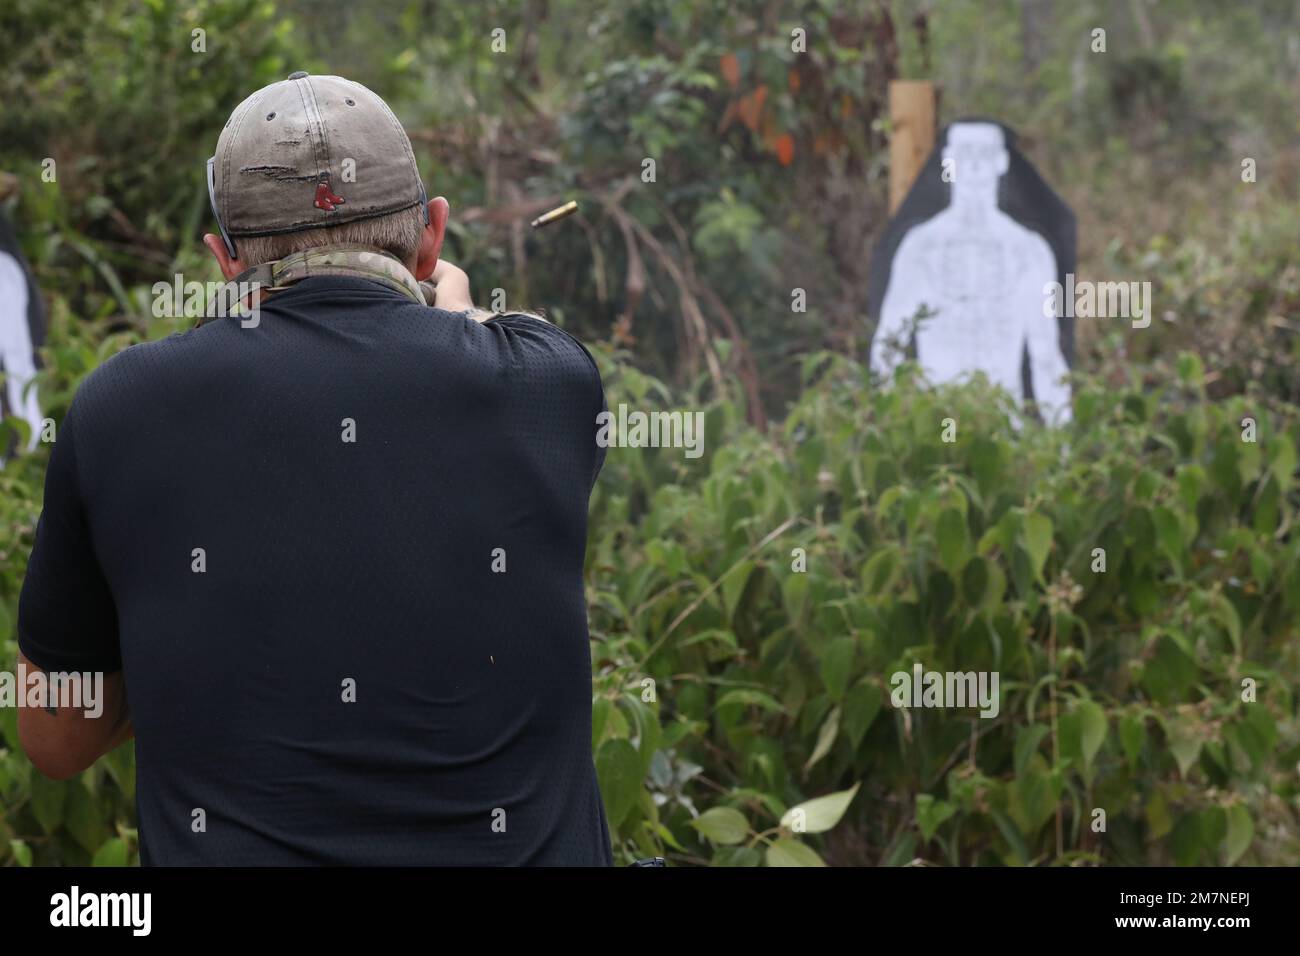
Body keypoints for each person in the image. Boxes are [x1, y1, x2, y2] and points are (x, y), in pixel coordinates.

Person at [16, 72, 612, 866]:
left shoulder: (120, 407)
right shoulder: (549, 382)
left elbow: (56, 738)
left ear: (224, 261)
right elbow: (500, 351)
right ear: (431, 234)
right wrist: (465, 315)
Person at [870, 121, 1073, 425]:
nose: (975, 164)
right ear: (949, 160)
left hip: (1004, 424)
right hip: (934, 422)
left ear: (1001, 161)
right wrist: (890, 424)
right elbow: (889, 342)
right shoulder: (922, 246)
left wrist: (1062, 444)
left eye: (985, 153)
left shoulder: (1028, 250)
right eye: (966, 154)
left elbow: (1045, 354)